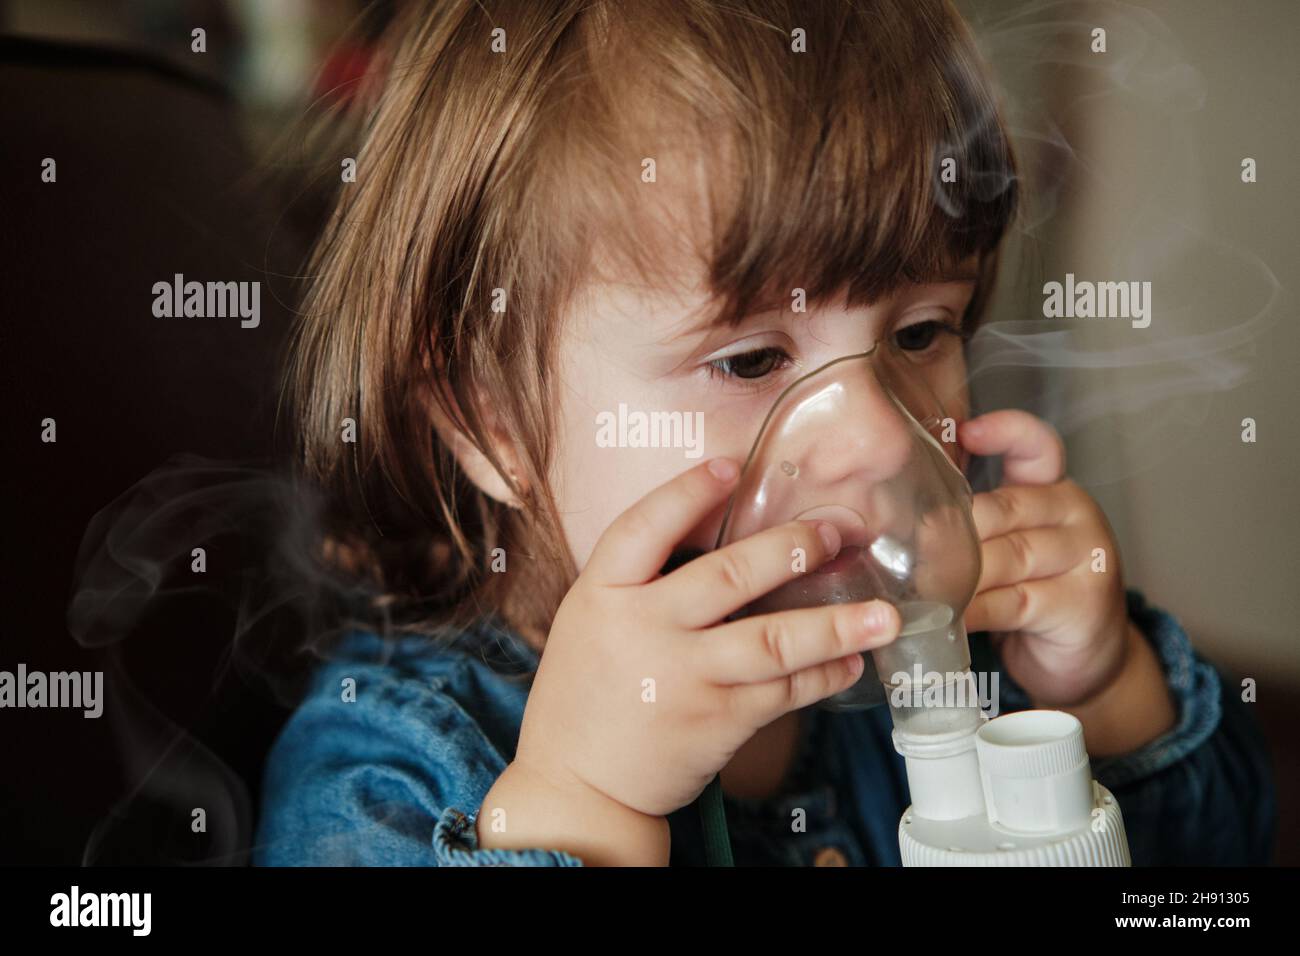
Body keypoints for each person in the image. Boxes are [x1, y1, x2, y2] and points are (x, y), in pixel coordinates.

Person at [253, 0, 1275, 866]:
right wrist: (582, 800)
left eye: (919, 331)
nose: (878, 438)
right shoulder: (387, 767)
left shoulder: (973, 672)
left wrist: (1100, 697)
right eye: (749, 360)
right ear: (492, 421)